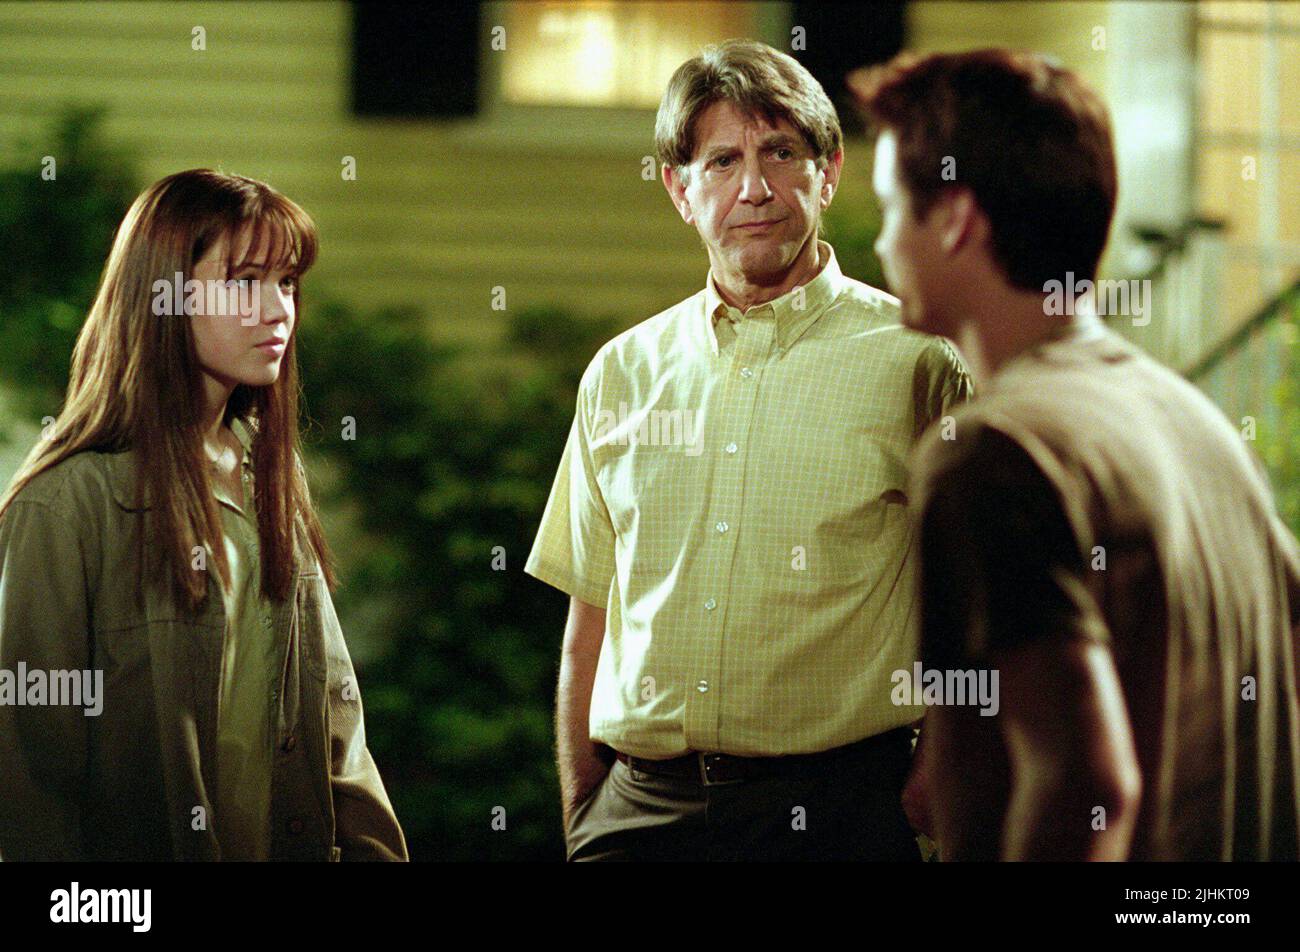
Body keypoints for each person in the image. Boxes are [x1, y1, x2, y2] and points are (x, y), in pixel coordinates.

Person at [849, 49, 1300, 860]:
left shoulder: (995, 451)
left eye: (891, 208)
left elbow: (1085, 787)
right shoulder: (1197, 423)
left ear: (954, 218)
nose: (881, 240)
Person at [526, 39, 970, 861]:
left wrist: (925, 786)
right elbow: (591, 606)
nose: (755, 188)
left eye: (781, 153)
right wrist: (584, 802)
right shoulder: (622, 372)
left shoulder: (918, 361)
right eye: (722, 161)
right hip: (637, 817)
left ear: (828, 172)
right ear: (680, 190)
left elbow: (976, 598)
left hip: (840, 815)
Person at [0, 169, 408, 861]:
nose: (279, 311)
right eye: (246, 283)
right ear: (163, 294)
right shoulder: (66, 505)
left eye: (288, 283)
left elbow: (335, 723)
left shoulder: (269, 471)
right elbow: (32, 786)